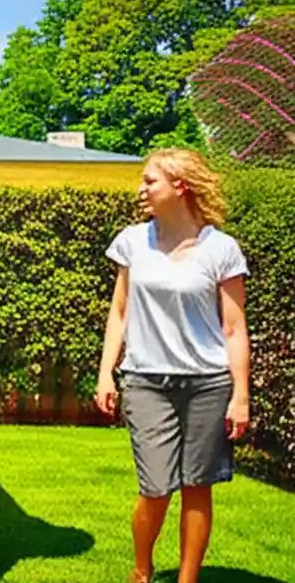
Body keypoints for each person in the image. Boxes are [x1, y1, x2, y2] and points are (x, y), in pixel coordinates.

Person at [93, 148, 252, 583]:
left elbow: (234, 328)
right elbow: (119, 313)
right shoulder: (132, 242)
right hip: (146, 381)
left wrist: (240, 395)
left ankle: (187, 579)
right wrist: (107, 372)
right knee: (156, 486)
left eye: (150, 181)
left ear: (179, 186)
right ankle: (141, 569)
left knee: (197, 486)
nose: (141, 189)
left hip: (208, 384)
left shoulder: (220, 249)